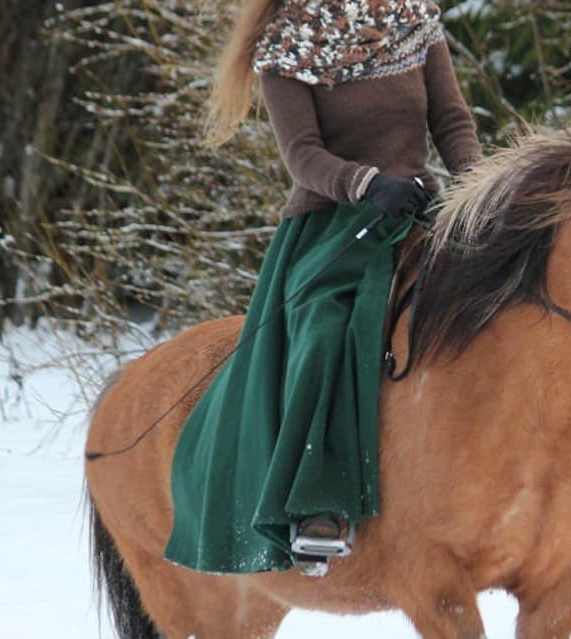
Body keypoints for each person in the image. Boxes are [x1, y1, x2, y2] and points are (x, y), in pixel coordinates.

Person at [163, 0, 484, 573]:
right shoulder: (285, 45)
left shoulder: (413, 20)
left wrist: (479, 193)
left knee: (511, 285)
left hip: (419, 208)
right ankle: (318, 503)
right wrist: (366, 183)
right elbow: (302, 155)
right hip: (335, 222)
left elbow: (452, 122)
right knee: (323, 329)